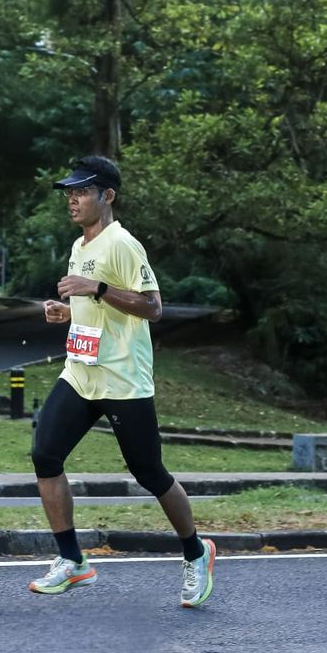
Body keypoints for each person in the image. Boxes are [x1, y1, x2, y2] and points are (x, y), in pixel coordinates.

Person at [28, 155, 216, 608]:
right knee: (45, 454)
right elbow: (96, 308)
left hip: (122, 378)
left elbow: (153, 308)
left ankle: (197, 552)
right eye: (69, 192)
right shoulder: (81, 246)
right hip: (81, 371)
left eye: (82, 191)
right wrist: (67, 313)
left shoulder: (123, 244)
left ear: (107, 196)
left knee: (149, 473)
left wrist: (95, 290)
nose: (72, 199)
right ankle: (73, 561)